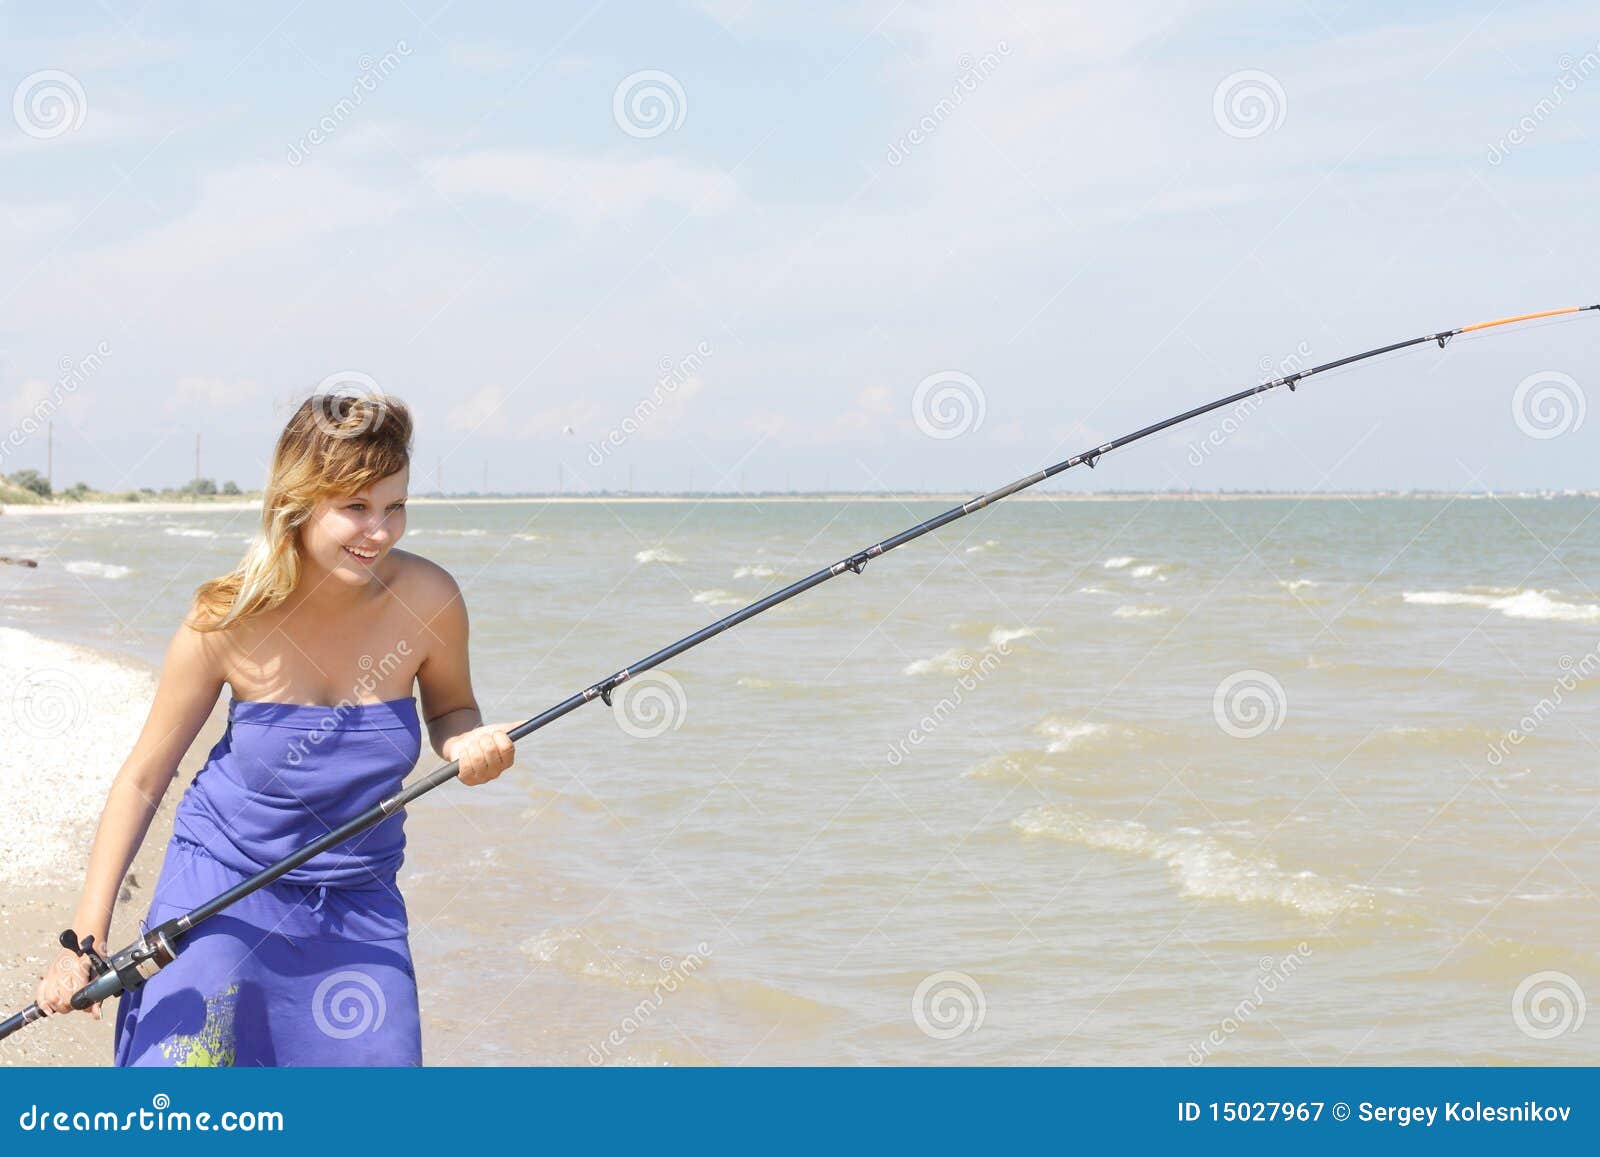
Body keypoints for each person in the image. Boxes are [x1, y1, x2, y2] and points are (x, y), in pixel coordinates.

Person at [32, 392, 519, 1065]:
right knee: (186, 1087)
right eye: (355, 507)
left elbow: (451, 709)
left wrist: (466, 742)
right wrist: (83, 941)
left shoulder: (430, 600)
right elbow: (143, 778)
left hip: (357, 899)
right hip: (220, 890)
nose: (379, 530)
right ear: (299, 501)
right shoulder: (225, 618)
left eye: (395, 506)